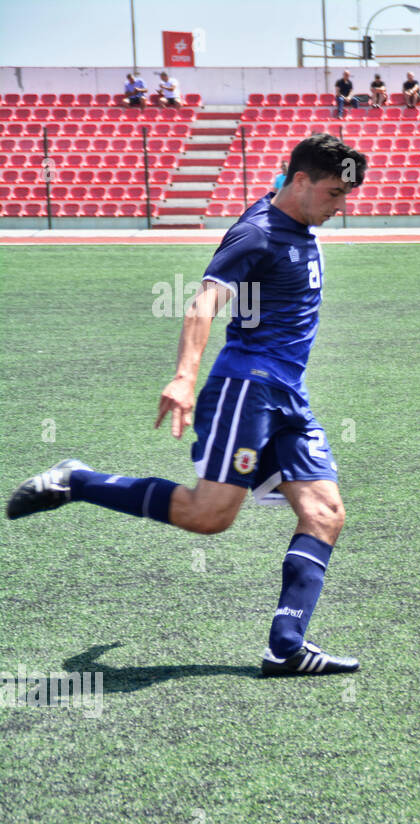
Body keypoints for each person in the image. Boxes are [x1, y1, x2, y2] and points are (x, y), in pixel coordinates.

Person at [6, 134, 369, 676]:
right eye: (336, 192)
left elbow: (279, 191)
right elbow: (203, 304)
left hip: (288, 395)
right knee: (209, 517)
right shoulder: (257, 235)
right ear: (300, 181)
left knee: (324, 514)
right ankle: (77, 480)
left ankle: (285, 648)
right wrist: (183, 377)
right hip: (246, 391)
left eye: (348, 194)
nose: (342, 206)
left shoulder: (289, 210)